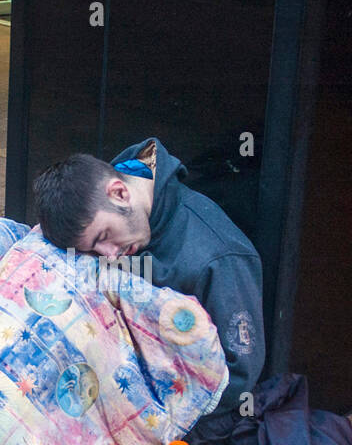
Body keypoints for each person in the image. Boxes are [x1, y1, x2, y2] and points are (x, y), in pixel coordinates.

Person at [32, 136, 265, 415]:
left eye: (105, 237)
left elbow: (239, 378)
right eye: (94, 249)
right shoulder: (101, 194)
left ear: (119, 193)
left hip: (176, 420)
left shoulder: (218, 258)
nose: (109, 254)